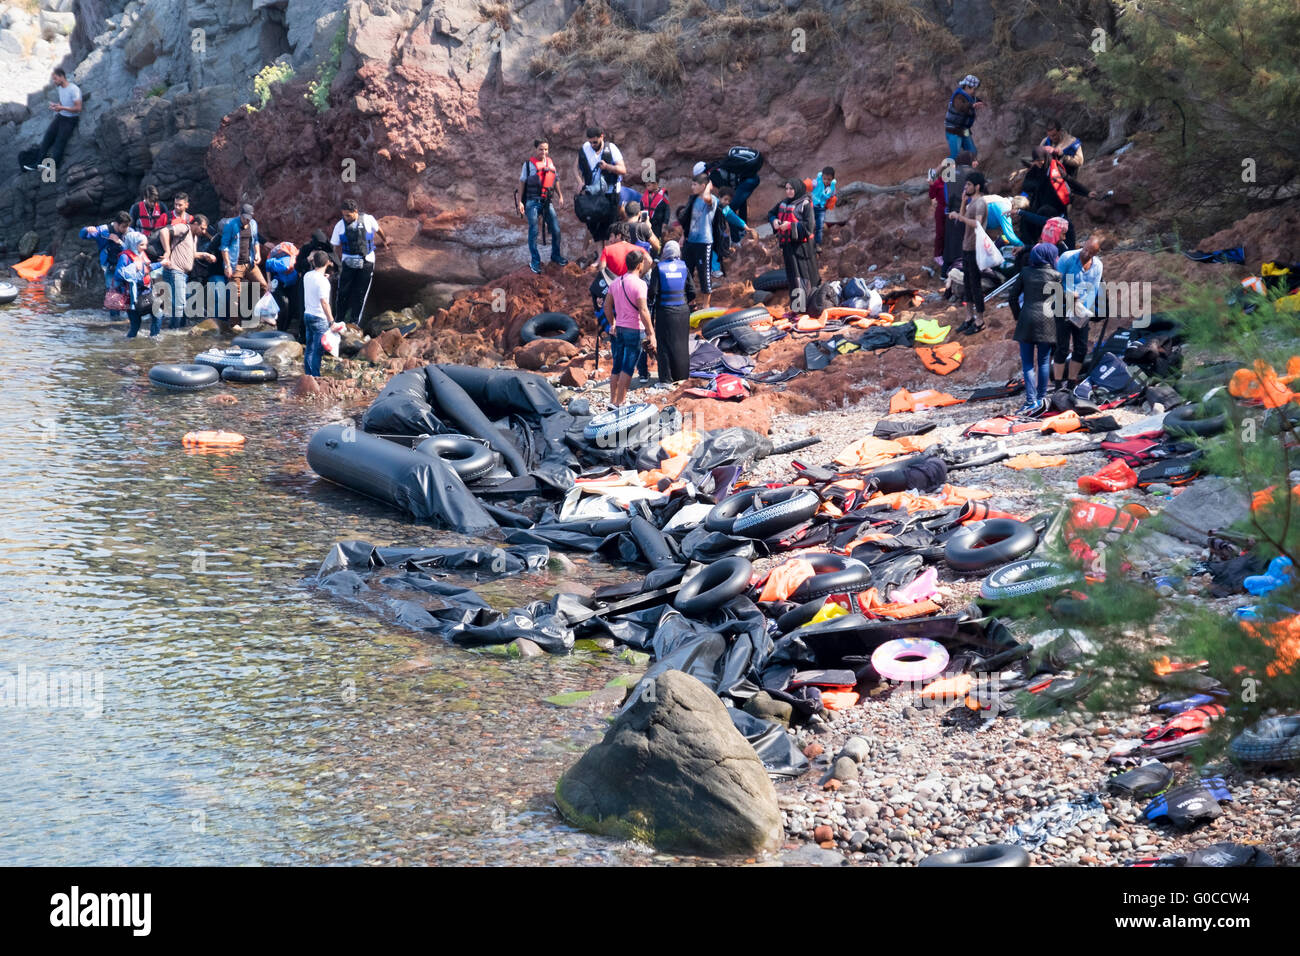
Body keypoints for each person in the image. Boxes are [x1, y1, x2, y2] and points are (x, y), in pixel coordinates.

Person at [1008, 242, 1063, 416]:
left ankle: (1030, 401)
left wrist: (1019, 316)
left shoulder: (1025, 272)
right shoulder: (1056, 275)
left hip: (1027, 319)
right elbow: (1061, 302)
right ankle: (1041, 399)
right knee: (1044, 362)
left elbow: (1012, 297)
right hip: (1047, 321)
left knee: (1027, 364)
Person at [602, 249, 655, 408]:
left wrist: (612, 323)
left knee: (617, 365)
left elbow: (606, 306)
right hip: (634, 329)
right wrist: (651, 333)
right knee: (628, 367)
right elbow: (643, 310)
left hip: (618, 330)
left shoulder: (616, 282)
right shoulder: (640, 284)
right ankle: (620, 402)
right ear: (640, 265)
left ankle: (612, 400)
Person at [1055, 235, 1104, 386]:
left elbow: (1094, 289)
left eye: (1091, 252)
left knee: (1081, 348)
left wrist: (1084, 308)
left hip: (1081, 308)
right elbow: (1056, 282)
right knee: (1062, 347)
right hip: (1063, 305)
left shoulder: (1097, 266)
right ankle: (1057, 383)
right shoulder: (1067, 258)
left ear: (1096, 253)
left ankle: (1071, 381)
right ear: (1083, 245)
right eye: (1085, 249)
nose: (1086, 254)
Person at [331, 198, 388, 328]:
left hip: (366, 261)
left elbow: (378, 230)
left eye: (348, 215)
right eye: (343, 215)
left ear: (355, 211)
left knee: (360, 293)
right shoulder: (340, 225)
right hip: (348, 262)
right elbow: (333, 246)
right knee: (343, 292)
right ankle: (339, 321)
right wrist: (335, 265)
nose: (345, 218)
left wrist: (385, 241)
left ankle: (354, 323)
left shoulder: (368, 219)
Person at [1019, 146, 1091, 249]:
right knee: (1028, 222)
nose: (1039, 164)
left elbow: (1069, 180)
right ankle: (1031, 247)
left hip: (1055, 207)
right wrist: (1036, 185)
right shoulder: (1035, 169)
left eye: (1041, 161)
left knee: (1056, 230)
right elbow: (1026, 184)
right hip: (1039, 203)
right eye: (1037, 162)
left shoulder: (1055, 169)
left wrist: (1087, 192)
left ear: (1045, 158)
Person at [647, 240, 696, 384]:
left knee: (664, 344)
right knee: (681, 343)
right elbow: (692, 291)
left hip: (665, 312)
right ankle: (681, 377)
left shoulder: (659, 268)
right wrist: (685, 300)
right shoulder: (684, 267)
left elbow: (652, 292)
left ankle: (666, 380)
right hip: (682, 311)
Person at [516, 139, 567, 275]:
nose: (543, 152)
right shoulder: (528, 165)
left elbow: (555, 180)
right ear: (535, 149)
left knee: (555, 229)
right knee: (533, 231)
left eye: (546, 149)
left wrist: (560, 196)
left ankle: (556, 256)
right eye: (541, 149)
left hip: (546, 201)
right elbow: (522, 183)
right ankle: (535, 261)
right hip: (532, 201)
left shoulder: (550, 163)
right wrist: (520, 201)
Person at [949, 170, 990, 335]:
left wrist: (960, 217)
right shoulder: (972, 201)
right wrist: (963, 203)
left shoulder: (980, 203)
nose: (965, 187)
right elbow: (963, 218)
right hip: (966, 246)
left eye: (969, 184)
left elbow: (977, 223)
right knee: (967, 284)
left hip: (974, 249)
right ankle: (969, 317)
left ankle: (980, 320)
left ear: (977, 186)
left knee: (975, 285)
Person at [155, 213, 213, 329]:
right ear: (195, 224)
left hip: (182, 274)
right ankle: (174, 332)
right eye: (202, 228)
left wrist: (205, 255)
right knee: (180, 306)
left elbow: (190, 254)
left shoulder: (194, 237)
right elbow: (164, 232)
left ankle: (176, 329)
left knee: (178, 305)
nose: (203, 231)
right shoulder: (184, 228)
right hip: (175, 271)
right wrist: (167, 251)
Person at [768, 179, 819, 310]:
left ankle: (808, 306)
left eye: (791, 189)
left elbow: (809, 226)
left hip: (802, 248)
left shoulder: (805, 204)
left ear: (797, 189)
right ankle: (797, 308)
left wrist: (790, 226)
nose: (789, 191)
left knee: (804, 277)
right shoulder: (783, 203)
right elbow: (771, 214)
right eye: (787, 189)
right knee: (793, 277)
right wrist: (774, 221)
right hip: (788, 247)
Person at [575, 126, 627, 247]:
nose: (592, 144)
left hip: (610, 193)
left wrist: (608, 167)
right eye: (590, 142)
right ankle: (600, 256)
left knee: (610, 226)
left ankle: (609, 255)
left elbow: (623, 169)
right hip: (593, 194)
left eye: (595, 142)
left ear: (602, 136)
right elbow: (575, 167)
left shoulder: (611, 148)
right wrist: (579, 182)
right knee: (594, 225)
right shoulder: (585, 148)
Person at [220, 203, 267, 327]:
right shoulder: (231, 225)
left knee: (264, 286)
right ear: (240, 215)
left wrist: (258, 253)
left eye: (249, 218)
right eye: (245, 218)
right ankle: (235, 324)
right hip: (235, 264)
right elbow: (224, 247)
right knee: (236, 295)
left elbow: (255, 240)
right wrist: (228, 266)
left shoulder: (253, 224)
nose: (247, 220)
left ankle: (261, 316)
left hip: (249, 262)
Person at [677, 173, 718, 309]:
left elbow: (706, 197)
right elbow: (688, 220)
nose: (692, 187)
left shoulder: (712, 199)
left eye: (695, 184)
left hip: (704, 242)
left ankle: (706, 305)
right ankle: (691, 301)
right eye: (692, 184)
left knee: (704, 273)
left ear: (703, 186)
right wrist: (683, 237)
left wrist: (708, 186)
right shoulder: (693, 199)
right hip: (690, 241)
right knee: (687, 271)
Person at [80, 212, 131, 318]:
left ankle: (129, 319)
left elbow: (137, 245)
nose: (126, 229)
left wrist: (120, 242)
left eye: (127, 226)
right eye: (124, 226)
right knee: (113, 293)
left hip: (126, 267)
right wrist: (86, 229)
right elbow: (82, 235)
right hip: (111, 267)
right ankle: (115, 319)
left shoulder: (129, 232)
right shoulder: (103, 230)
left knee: (128, 293)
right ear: (116, 224)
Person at [114, 231, 161, 338]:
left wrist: (160, 264)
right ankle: (129, 346)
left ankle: (154, 338)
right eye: (141, 245)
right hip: (132, 296)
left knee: (158, 314)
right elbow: (118, 275)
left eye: (145, 244)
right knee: (135, 325)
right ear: (133, 244)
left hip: (146, 292)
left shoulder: (140, 254)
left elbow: (147, 269)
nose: (145, 247)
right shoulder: (125, 257)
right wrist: (134, 268)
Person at [33, 68, 81, 171]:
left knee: (59, 142)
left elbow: (78, 108)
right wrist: (57, 105)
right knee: (47, 138)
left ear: (62, 76)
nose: (54, 81)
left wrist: (61, 108)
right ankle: (38, 164)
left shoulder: (74, 89)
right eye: (53, 79)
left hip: (70, 119)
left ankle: (53, 167)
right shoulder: (60, 88)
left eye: (55, 79)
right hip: (61, 116)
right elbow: (63, 101)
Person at [291, 230, 334, 343]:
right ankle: (303, 336)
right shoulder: (306, 249)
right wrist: (308, 259)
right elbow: (297, 267)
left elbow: (337, 267)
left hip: (323, 282)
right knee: (303, 308)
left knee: (324, 306)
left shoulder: (328, 249)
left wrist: (330, 274)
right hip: (308, 282)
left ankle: (323, 336)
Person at [302, 251, 336, 377]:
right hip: (319, 318)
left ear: (314, 262)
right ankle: (316, 376)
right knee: (317, 351)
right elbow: (324, 303)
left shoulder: (307, 276)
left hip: (307, 315)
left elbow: (315, 280)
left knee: (309, 348)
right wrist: (331, 321)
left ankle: (308, 375)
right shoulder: (323, 282)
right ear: (327, 263)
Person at [942, 150, 976, 275]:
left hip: (949, 211)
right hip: (964, 212)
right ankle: (959, 271)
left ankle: (944, 271)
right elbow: (975, 195)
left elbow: (945, 194)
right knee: (963, 242)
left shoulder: (949, 172)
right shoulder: (973, 174)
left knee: (950, 241)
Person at [712, 188, 758, 276]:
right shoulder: (712, 203)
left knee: (720, 250)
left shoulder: (726, 209)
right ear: (719, 197)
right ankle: (714, 270)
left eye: (729, 200)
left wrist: (746, 227)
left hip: (718, 234)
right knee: (712, 251)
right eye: (725, 199)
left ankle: (719, 271)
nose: (727, 202)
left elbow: (735, 218)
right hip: (708, 234)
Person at [943, 74, 983, 161]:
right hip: (953, 130)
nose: (974, 91)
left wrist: (980, 103)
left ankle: (967, 172)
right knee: (955, 156)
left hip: (964, 130)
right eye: (973, 89)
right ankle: (935, 172)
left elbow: (976, 101)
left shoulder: (971, 97)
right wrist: (972, 106)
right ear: (967, 87)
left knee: (972, 152)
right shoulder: (958, 96)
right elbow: (960, 107)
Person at [927, 161, 951, 267]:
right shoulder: (938, 183)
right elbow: (931, 196)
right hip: (941, 211)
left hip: (951, 210)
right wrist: (931, 185)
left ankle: (948, 252)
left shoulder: (953, 182)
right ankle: (937, 255)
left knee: (950, 233)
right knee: (940, 233)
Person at [639, 173, 671, 244]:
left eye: (649, 185)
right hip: (646, 223)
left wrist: (665, 223)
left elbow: (667, 210)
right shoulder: (645, 195)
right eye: (646, 185)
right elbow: (641, 208)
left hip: (657, 225)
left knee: (656, 242)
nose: (647, 187)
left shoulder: (663, 195)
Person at [811, 166, 836, 250]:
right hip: (811, 205)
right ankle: (806, 241)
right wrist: (812, 184)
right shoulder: (817, 182)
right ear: (822, 177)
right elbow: (810, 187)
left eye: (828, 179)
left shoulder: (832, 189)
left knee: (819, 226)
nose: (826, 181)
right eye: (824, 179)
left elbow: (831, 198)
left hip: (821, 208)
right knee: (808, 223)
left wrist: (831, 201)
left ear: (832, 179)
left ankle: (818, 244)